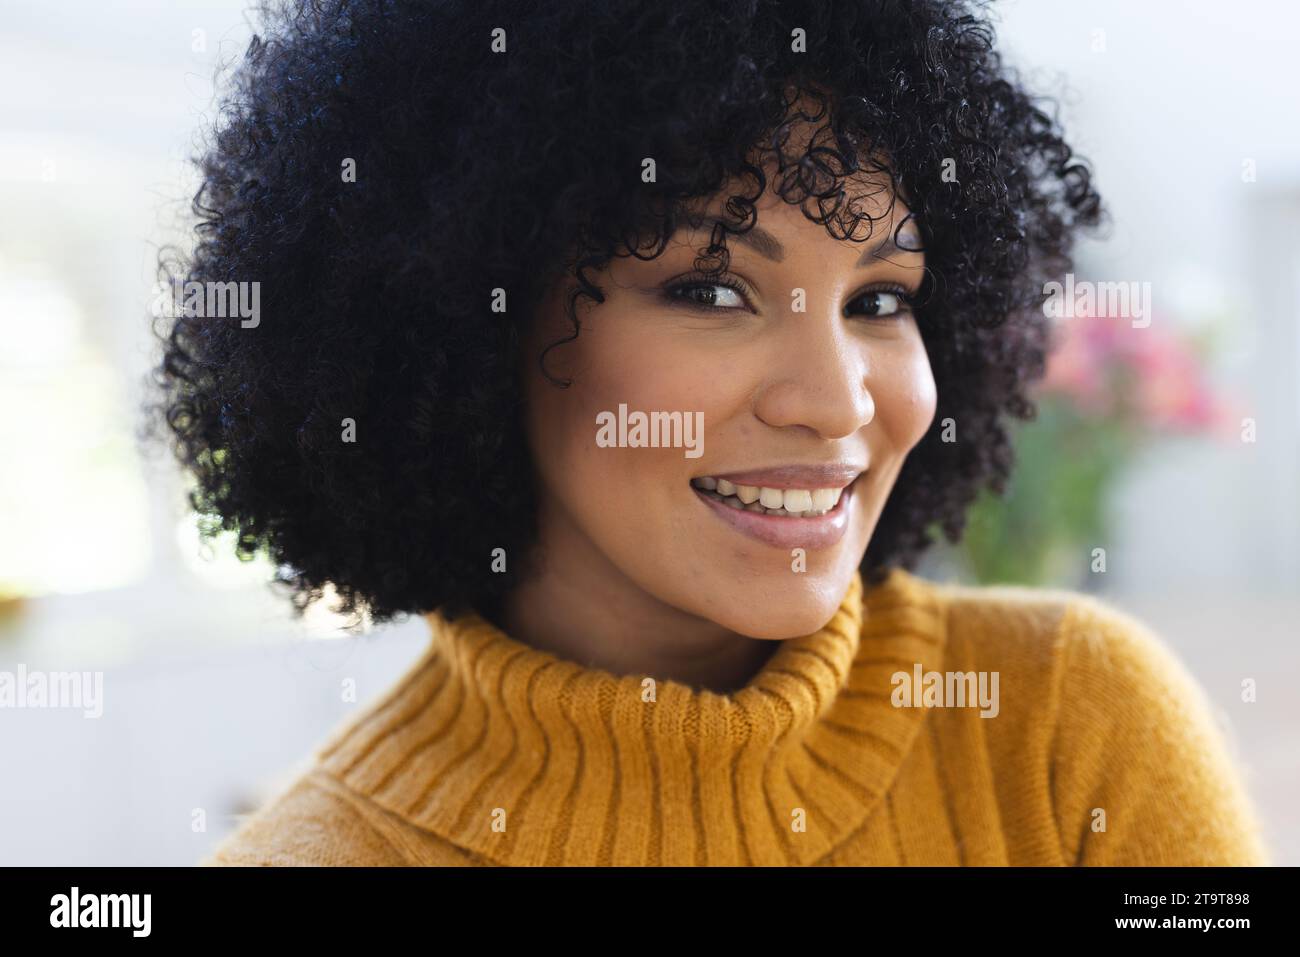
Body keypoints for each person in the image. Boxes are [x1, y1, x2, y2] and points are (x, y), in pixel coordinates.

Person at [151, 0, 1269, 865]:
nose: (835, 403)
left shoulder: (1066, 726)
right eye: (710, 291)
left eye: (879, 300)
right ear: (463, 323)